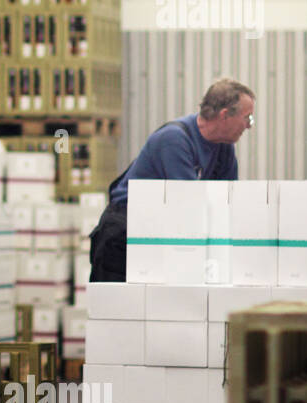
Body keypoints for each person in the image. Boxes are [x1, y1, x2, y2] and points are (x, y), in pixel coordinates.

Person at [88, 78, 256, 282]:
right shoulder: (174, 140)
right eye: (248, 118)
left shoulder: (224, 147)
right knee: (116, 310)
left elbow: (227, 202)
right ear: (224, 115)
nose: (249, 126)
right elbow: (189, 205)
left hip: (157, 233)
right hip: (125, 235)